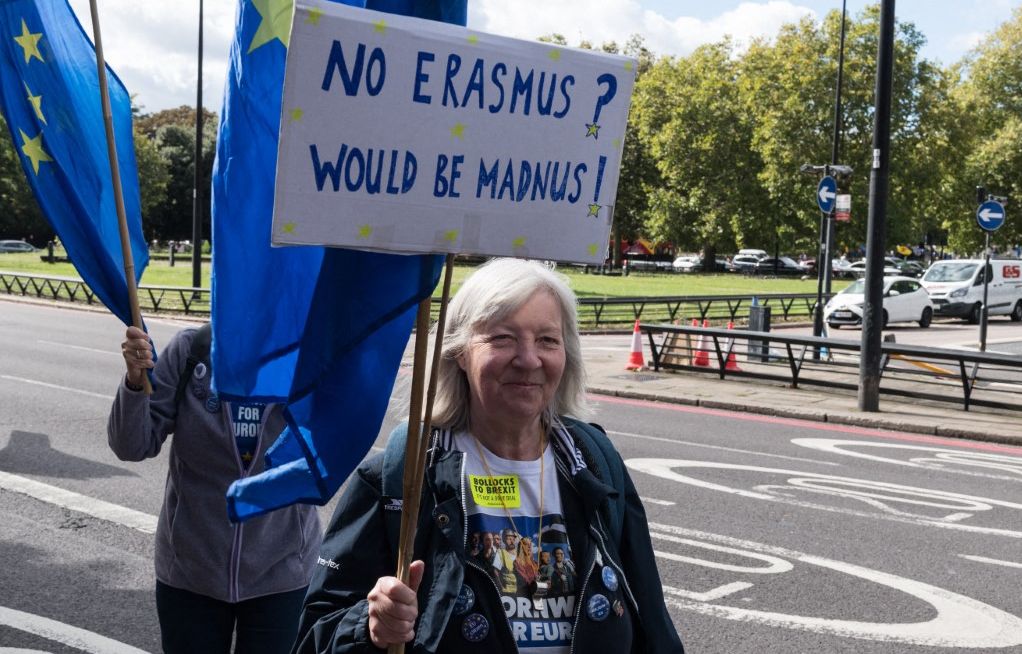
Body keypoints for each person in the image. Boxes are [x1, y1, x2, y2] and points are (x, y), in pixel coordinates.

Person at [293, 258, 684, 653]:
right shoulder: (401, 477)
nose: (529, 359)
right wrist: (370, 626)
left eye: (547, 340)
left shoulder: (597, 465)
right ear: (461, 352)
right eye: (503, 339)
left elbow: (651, 622)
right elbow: (315, 635)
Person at [107, 324, 322, 653]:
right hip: (190, 574)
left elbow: (330, 450)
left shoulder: (310, 355)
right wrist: (136, 382)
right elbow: (132, 445)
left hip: (282, 573)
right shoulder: (192, 350)